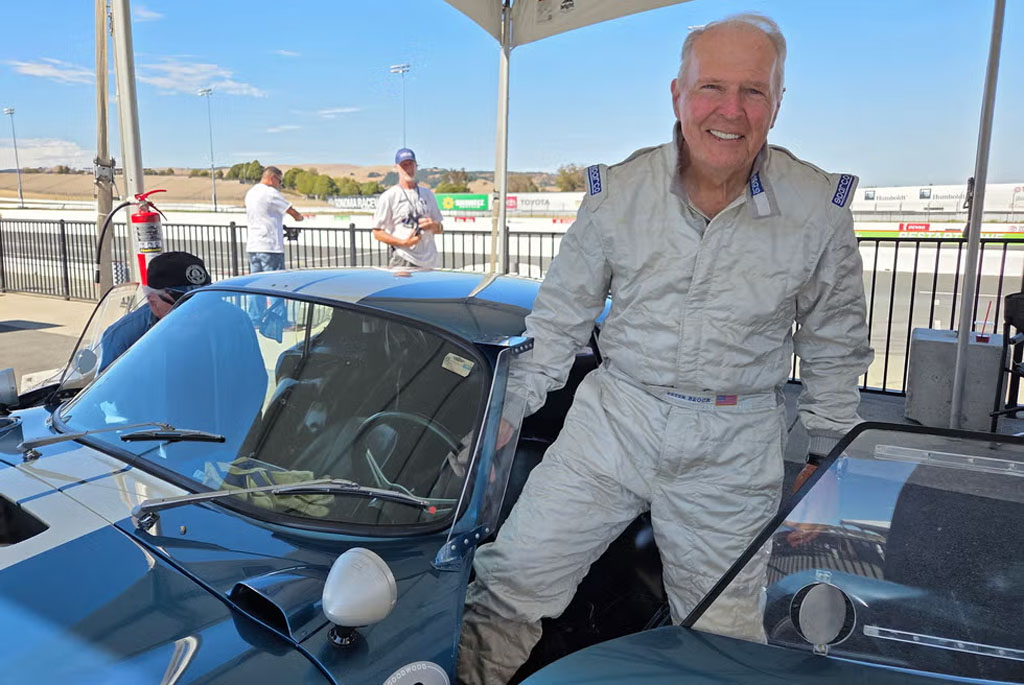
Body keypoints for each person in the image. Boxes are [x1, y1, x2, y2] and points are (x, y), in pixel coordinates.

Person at [457, 13, 873, 684]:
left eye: (753, 91)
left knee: (722, 632)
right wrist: (508, 408)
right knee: (508, 584)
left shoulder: (818, 209)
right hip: (617, 417)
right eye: (711, 87)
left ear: (778, 103)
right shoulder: (617, 194)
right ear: (677, 95)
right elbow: (560, 319)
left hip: (732, 441)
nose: (730, 111)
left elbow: (834, 344)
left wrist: (831, 459)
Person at [98, 251, 211, 372]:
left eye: (205, 298)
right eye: (184, 303)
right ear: (153, 302)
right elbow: (108, 387)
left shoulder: (229, 319)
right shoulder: (123, 337)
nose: (198, 311)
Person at [372, 148, 444, 268]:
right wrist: (403, 243)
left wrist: (433, 226)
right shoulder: (389, 196)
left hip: (429, 260)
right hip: (403, 258)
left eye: (411, 164)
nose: (408, 169)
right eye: (404, 165)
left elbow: (440, 229)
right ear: (396, 168)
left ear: (416, 166)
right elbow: (377, 232)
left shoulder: (428, 194)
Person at [245, 165, 304, 274]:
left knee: (256, 284)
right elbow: (292, 212)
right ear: (272, 178)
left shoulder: (251, 192)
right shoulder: (271, 193)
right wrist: (300, 218)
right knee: (274, 282)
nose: (280, 185)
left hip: (253, 246)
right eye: (280, 181)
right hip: (270, 246)